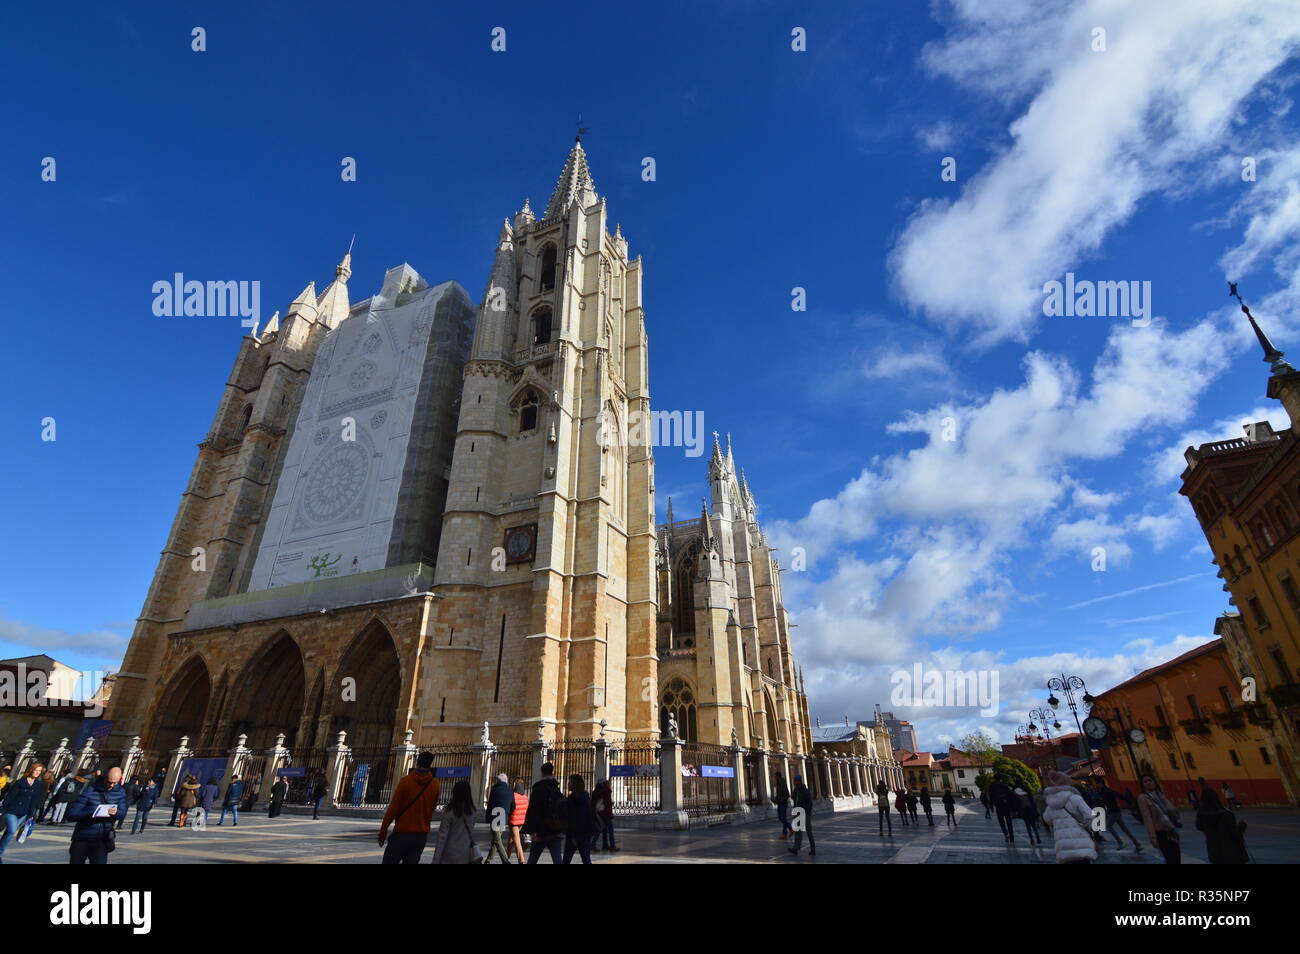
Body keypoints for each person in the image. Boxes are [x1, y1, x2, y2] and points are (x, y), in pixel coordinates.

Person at [377, 751, 441, 864]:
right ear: (430, 764)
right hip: (420, 836)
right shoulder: (435, 785)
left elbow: (392, 810)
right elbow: (432, 809)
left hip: (402, 833)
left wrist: (383, 832)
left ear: (417, 762)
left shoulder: (405, 782)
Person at [67, 765, 127, 864]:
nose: (111, 785)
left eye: (115, 783)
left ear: (120, 779)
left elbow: (122, 813)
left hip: (102, 839)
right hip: (83, 836)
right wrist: (92, 812)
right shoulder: (90, 790)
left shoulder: (120, 793)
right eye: (109, 781)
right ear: (105, 777)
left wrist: (116, 813)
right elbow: (72, 814)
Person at [1040, 771, 1096, 864]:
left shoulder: (1051, 804)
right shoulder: (1075, 798)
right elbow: (1089, 816)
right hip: (1081, 844)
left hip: (1063, 847)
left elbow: (1047, 819)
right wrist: (1089, 827)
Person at [0, 762, 47, 863]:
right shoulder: (20, 782)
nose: (37, 772)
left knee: (8, 833)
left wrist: (31, 815)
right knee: (11, 831)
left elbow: (34, 800)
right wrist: (2, 809)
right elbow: (10, 796)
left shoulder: (38, 784)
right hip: (12, 810)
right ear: (31, 770)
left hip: (24, 812)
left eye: (39, 771)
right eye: (36, 770)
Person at [522, 761, 566, 864]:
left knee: (532, 859)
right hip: (556, 829)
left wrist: (532, 831)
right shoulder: (556, 789)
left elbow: (533, 810)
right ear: (552, 772)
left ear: (542, 773)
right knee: (557, 860)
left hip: (541, 831)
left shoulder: (538, 789)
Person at [1195, 782, 1249, 864]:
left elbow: (1199, 827)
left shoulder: (1202, 815)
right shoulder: (1226, 814)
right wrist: (1242, 824)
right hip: (1232, 853)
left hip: (1215, 853)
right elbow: (1236, 833)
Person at [1138, 773, 1182, 864]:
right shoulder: (1142, 798)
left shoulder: (1159, 794)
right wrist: (1153, 837)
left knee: (1177, 857)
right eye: (1145, 782)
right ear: (1142, 785)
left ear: (1154, 782)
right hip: (1161, 832)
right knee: (1170, 858)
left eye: (1150, 780)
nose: (1148, 783)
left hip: (1171, 829)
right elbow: (1147, 819)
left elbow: (1171, 810)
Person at [434, 779, 481, 864]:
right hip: (465, 853)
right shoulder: (473, 812)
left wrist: (436, 860)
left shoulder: (449, 812)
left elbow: (442, 837)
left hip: (448, 854)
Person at [1094, 780, 1142, 852]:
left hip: (1114, 811)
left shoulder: (1106, 791)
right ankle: (1137, 844)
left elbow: (1118, 796)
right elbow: (1119, 795)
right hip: (1115, 811)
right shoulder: (1104, 791)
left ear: (1101, 784)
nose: (1097, 785)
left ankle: (1120, 842)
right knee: (1124, 829)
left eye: (1098, 784)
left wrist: (1128, 801)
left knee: (1108, 826)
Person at [562, 774, 597, 865]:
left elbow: (574, 818)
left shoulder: (572, 799)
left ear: (574, 784)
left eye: (569, 782)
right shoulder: (586, 797)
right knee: (586, 859)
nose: (568, 784)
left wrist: (574, 836)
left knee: (566, 859)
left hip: (574, 835)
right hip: (586, 833)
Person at [485, 772, 515, 863]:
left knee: (497, 841)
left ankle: (506, 861)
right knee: (496, 840)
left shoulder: (495, 790)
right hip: (503, 818)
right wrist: (507, 814)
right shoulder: (510, 791)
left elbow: (490, 805)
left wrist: (487, 817)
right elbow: (513, 806)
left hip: (495, 817)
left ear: (498, 781)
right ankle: (488, 861)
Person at [788, 774, 815, 857]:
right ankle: (796, 848)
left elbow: (809, 803)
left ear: (798, 781)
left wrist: (807, 812)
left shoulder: (805, 790)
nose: (793, 782)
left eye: (794, 781)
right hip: (798, 812)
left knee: (808, 831)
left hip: (805, 813)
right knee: (798, 831)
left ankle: (813, 849)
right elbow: (793, 798)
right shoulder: (796, 790)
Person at [988, 775, 1016, 842]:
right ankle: (1012, 836)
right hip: (1006, 805)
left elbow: (990, 796)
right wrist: (1012, 806)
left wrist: (991, 806)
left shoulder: (992, 786)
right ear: (1000, 779)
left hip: (998, 806)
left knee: (1001, 821)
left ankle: (1006, 834)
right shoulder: (1004, 785)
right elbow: (1010, 795)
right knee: (1009, 821)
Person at [592, 778, 617, 852]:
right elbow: (608, 804)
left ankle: (604, 845)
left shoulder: (595, 791)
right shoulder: (606, 791)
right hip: (606, 814)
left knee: (601, 830)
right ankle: (612, 846)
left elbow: (593, 803)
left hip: (599, 813)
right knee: (610, 830)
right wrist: (610, 815)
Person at [507, 779, 529, 861]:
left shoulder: (513, 795)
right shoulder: (525, 796)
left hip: (514, 822)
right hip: (522, 822)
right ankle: (506, 858)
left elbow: (510, 808)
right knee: (510, 841)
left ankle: (521, 860)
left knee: (517, 842)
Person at [772, 771, 792, 839]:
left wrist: (780, 800)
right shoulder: (778, 783)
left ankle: (786, 832)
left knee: (782, 818)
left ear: (778, 776)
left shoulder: (782, 783)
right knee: (782, 818)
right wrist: (776, 799)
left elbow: (787, 794)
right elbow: (779, 794)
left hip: (783, 803)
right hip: (780, 803)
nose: (774, 778)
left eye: (775, 776)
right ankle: (787, 831)